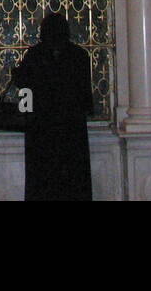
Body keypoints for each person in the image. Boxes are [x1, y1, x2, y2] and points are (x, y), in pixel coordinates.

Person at [12, 11, 94, 201]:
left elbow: (26, 89)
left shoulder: (35, 55)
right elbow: (84, 94)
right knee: (73, 183)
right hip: (71, 130)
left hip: (42, 130)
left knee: (44, 183)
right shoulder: (78, 55)